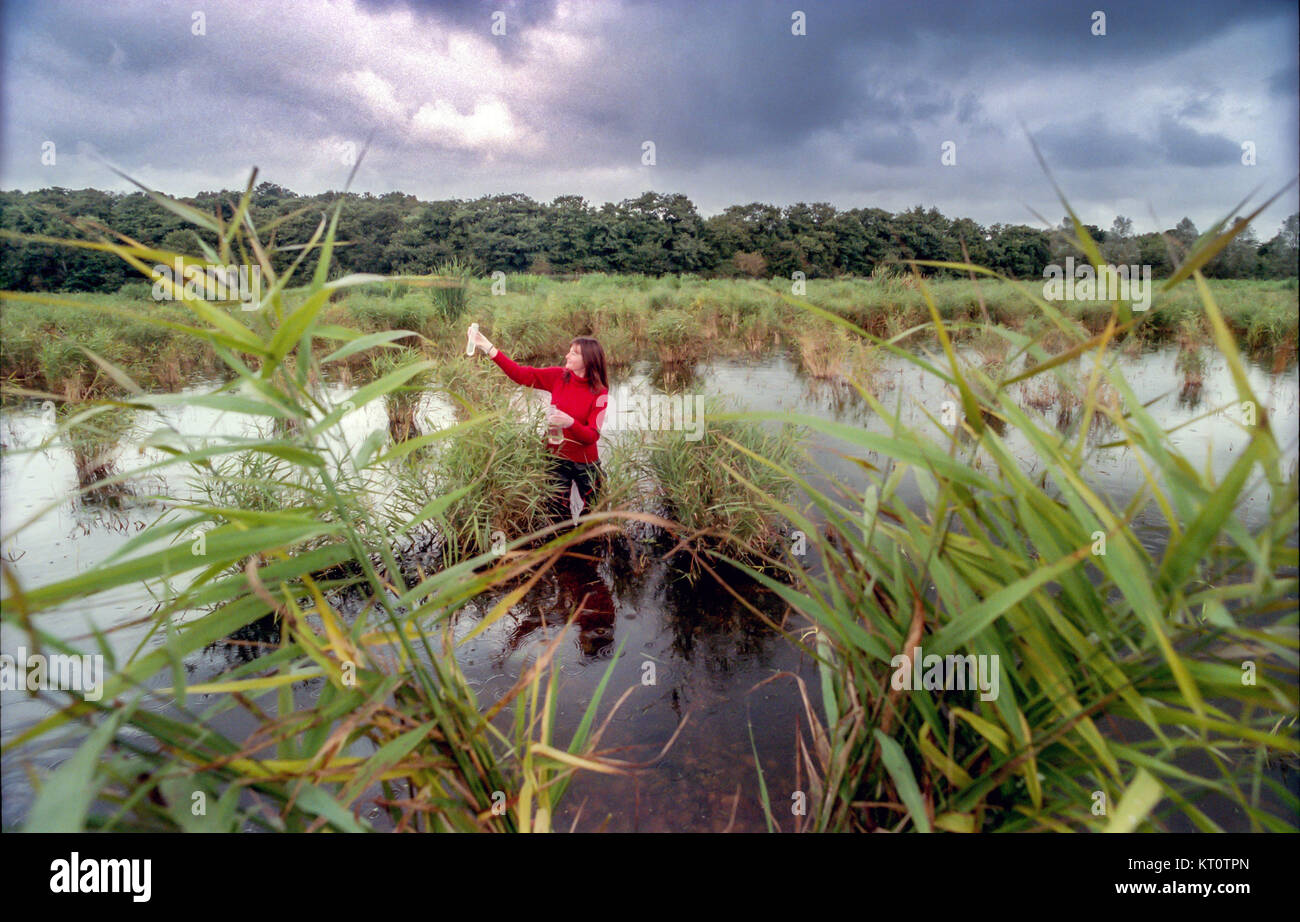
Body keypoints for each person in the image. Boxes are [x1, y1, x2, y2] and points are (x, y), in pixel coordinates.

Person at [470, 328, 609, 527]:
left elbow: (591, 436)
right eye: (569, 350)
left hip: (586, 463)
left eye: (574, 353)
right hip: (555, 459)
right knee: (558, 517)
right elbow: (520, 375)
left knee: (595, 515)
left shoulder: (600, 392)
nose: (566, 355)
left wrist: (569, 422)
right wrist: (487, 347)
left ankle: (591, 554)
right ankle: (563, 553)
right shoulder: (558, 377)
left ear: (589, 359)